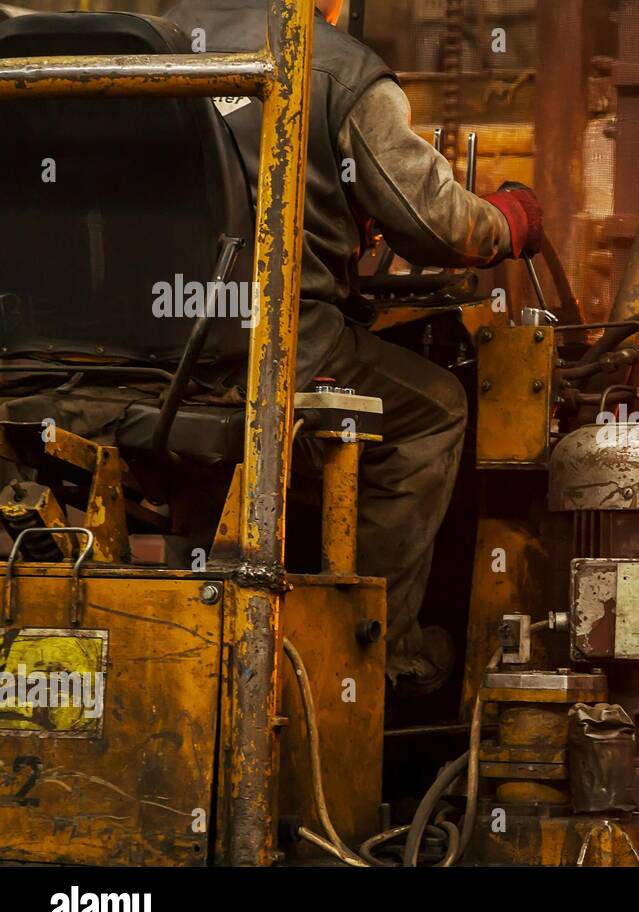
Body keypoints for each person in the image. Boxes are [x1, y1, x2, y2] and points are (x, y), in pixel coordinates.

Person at [164, 0, 544, 694]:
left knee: (205, 432)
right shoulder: (336, 67)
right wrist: (510, 218)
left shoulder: (150, 44)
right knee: (434, 410)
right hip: (271, 344)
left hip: (134, 359)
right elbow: (437, 226)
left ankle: (192, 606)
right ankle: (376, 651)